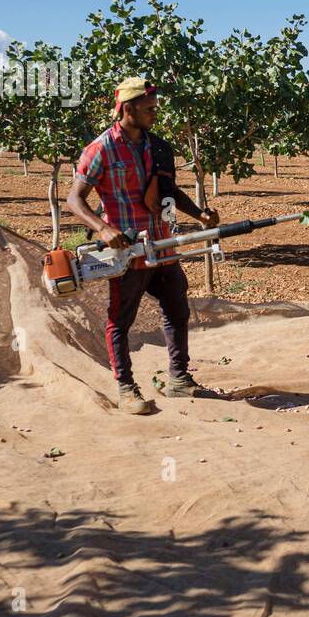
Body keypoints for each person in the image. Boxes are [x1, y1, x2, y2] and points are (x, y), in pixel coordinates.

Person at [66, 77, 220, 414]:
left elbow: (169, 191)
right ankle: (126, 389)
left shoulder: (159, 147)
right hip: (128, 252)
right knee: (120, 320)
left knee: (177, 308)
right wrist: (103, 228)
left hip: (163, 245)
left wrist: (199, 214)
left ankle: (179, 378)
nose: (155, 113)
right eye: (149, 109)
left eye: (155, 108)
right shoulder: (101, 149)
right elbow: (74, 200)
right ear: (128, 108)